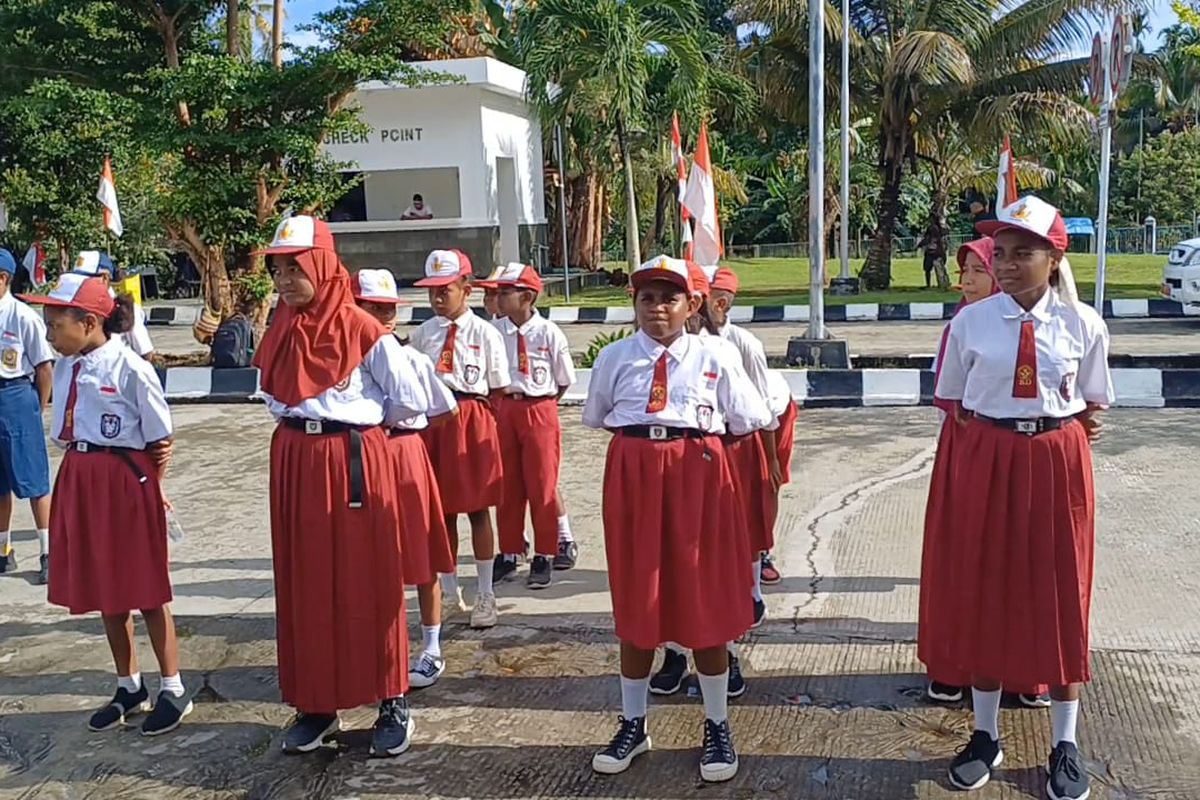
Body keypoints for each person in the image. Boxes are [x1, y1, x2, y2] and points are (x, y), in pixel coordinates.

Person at [926, 196, 1113, 800]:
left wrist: (1054, 437)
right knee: (984, 589)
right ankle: (985, 734)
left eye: (1022, 252)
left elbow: (1090, 401)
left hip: (1056, 460)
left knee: (1059, 592)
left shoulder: (1084, 324)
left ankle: (1065, 742)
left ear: (1054, 257)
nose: (1005, 264)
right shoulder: (970, 324)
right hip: (988, 456)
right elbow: (955, 399)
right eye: (999, 253)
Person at [583, 255, 772, 783]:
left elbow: (749, 417)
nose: (657, 308)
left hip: (700, 476)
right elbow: (598, 415)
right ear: (634, 304)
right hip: (635, 476)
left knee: (703, 598)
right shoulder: (617, 358)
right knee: (638, 599)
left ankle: (716, 724)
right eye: (647, 297)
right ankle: (634, 722)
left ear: (693, 305)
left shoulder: (715, 356)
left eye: (670, 298)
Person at [254, 216, 431, 757]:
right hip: (295, 462)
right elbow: (271, 397)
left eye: (295, 267)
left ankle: (391, 698)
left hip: (353, 462)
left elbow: (408, 400)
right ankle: (316, 704)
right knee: (305, 584)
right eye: (278, 269)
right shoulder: (280, 330)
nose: (285, 280)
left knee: (369, 582)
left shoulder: (363, 330)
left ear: (324, 266)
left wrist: (353, 433)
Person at [24, 274, 190, 736]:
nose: (50, 334)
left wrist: (149, 491)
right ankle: (128, 684)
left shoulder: (130, 368)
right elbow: (64, 432)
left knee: (147, 588)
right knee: (106, 589)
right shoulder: (67, 368)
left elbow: (161, 439)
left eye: (56, 324)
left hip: (126, 482)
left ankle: (173, 687)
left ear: (90, 322)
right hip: (81, 478)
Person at [350, 268, 460, 691]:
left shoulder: (411, 357)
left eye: (387, 308)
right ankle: (378, 644)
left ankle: (431, 645)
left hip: (404, 453)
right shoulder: (346, 360)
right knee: (375, 558)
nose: (382, 316)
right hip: (364, 457)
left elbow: (445, 407)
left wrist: (402, 427)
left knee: (421, 555)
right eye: (372, 308)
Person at [410, 249, 510, 629]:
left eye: (445, 290)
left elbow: (498, 388)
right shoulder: (423, 333)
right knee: (442, 511)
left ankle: (486, 593)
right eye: (432, 291)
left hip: (472, 419)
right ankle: (450, 592)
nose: (437, 299)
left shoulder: (485, 332)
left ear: (466, 289)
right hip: (435, 424)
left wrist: (481, 424)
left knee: (478, 509)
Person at [489, 263, 577, 589]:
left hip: (539, 407)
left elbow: (564, 379)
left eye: (505, 292)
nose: (498, 297)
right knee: (507, 486)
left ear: (527, 296)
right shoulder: (495, 330)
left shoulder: (548, 332)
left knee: (542, 484)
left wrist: (542, 405)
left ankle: (545, 553)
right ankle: (510, 551)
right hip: (505, 408)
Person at [0, 248, 54, 584]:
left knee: (34, 479)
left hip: (17, 396)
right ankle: (3, 550)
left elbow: (44, 366)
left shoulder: (22, 316)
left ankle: (48, 551)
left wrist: (39, 405)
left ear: (2, 278)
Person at [72, 251, 154, 359]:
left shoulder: (124, 309)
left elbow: (145, 353)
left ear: (105, 278)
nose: (80, 284)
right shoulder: (78, 308)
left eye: (86, 279)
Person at [916, 224, 947, 288]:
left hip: (935, 254)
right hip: (931, 254)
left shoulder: (938, 238)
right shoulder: (931, 237)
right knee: (929, 270)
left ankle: (941, 284)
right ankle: (931, 284)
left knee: (938, 270)